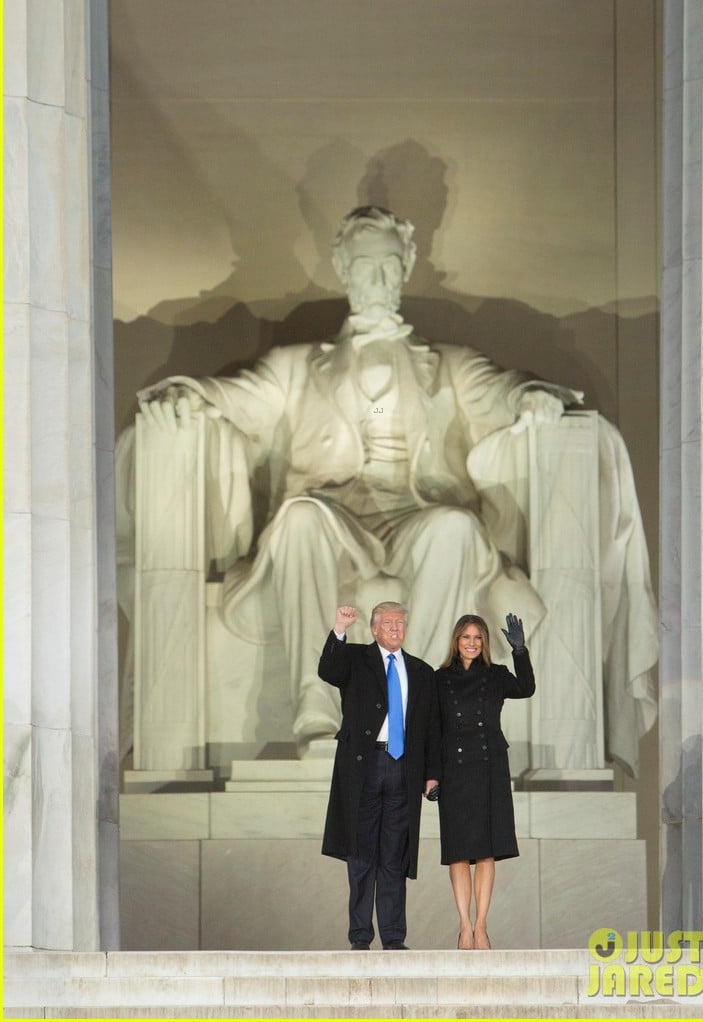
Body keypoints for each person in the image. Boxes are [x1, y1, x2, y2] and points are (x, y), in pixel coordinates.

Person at [126, 204, 657, 775]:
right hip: (331, 516)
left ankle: (414, 706)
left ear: (405, 267)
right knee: (298, 519)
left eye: (387, 266)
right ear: (342, 269)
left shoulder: (448, 365)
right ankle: (319, 708)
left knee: (456, 528)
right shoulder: (295, 366)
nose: (377, 280)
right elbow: (235, 396)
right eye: (364, 266)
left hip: (418, 515)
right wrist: (189, 397)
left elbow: (501, 391)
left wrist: (531, 398)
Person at [318, 601, 440, 950]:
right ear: (373, 629)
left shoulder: (421, 671)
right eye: (387, 623)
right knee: (360, 854)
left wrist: (431, 774)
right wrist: (339, 629)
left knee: (394, 855)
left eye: (400, 623)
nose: (394, 628)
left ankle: (394, 938)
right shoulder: (356, 659)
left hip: (404, 769)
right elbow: (329, 670)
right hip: (365, 767)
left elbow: (431, 726)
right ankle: (360, 938)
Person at [435, 612, 534, 949]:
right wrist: (431, 776)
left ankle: (481, 926)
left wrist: (520, 651)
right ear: (456, 640)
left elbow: (527, 688)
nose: (472, 643)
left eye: (478, 638)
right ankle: (464, 926)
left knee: (486, 851)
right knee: (459, 853)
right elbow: (432, 730)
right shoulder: (439, 679)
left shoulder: (497, 676)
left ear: (485, 643)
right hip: (454, 770)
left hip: (490, 768)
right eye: (466, 637)